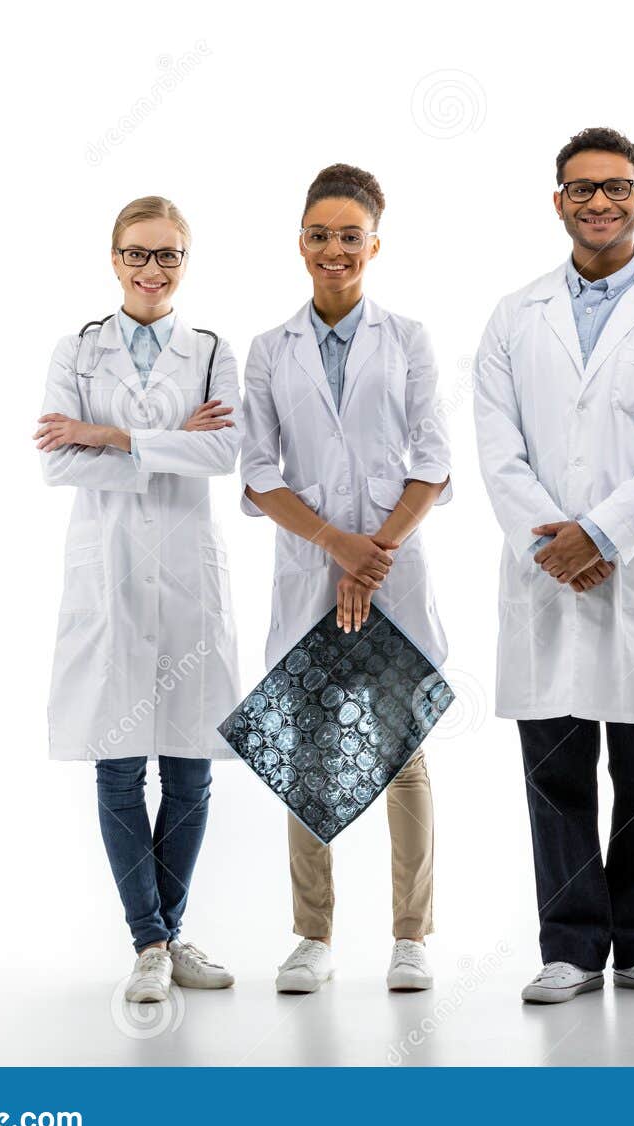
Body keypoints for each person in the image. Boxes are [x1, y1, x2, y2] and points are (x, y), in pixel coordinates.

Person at [473, 127, 634, 1004]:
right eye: (582, 189)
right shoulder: (514, 313)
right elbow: (497, 445)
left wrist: (604, 535)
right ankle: (571, 945)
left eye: (616, 187)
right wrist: (555, 542)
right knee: (557, 769)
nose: (599, 202)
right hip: (547, 570)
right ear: (558, 202)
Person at [239, 163, 450, 994]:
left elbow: (431, 463)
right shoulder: (267, 350)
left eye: (350, 236)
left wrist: (371, 558)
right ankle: (313, 935)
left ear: (374, 244)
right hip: (308, 569)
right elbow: (259, 472)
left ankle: (411, 935)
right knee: (311, 755)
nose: (335, 249)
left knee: (402, 755)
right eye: (320, 235)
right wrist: (337, 549)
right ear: (300, 243)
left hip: (391, 570)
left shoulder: (410, 340)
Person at [37, 195, 243, 1004]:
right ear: (113, 258)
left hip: (190, 575)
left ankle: (169, 931)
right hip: (111, 572)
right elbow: (57, 463)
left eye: (169, 255)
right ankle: (151, 941)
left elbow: (224, 452)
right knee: (120, 769)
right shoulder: (78, 350)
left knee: (191, 772)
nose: (153, 270)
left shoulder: (214, 349)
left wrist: (114, 437)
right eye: (137, 253)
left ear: (186, 261)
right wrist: (169, 445)